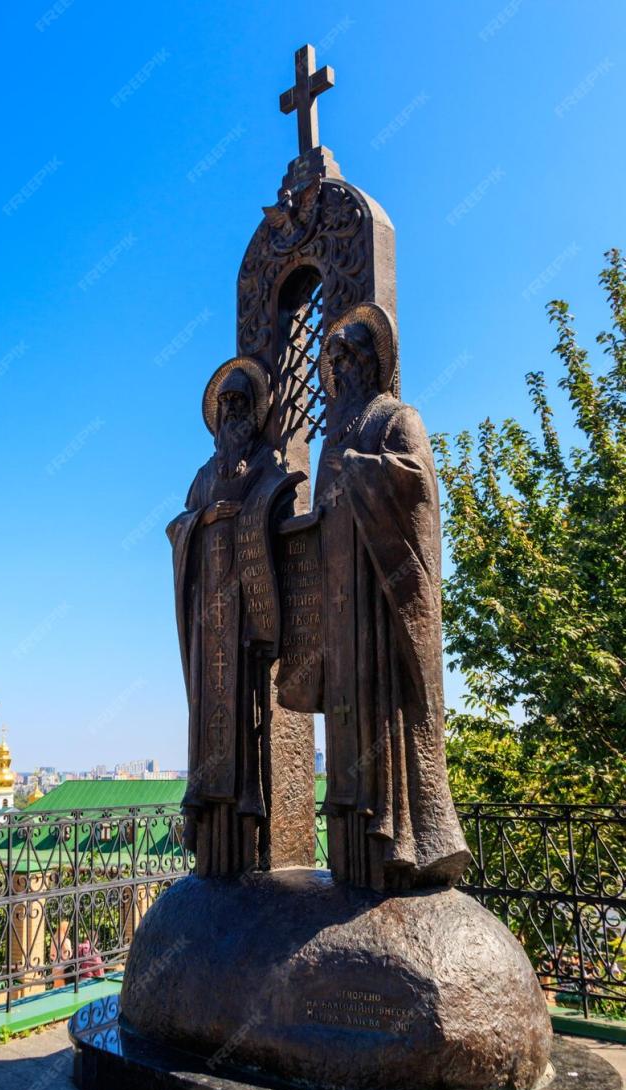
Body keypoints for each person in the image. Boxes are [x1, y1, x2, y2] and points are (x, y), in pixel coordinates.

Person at [314, 303, 470, 890]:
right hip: (342, 604)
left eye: (352, 354)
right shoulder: (337, 432)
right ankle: (351, 852)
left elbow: (415, 486)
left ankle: (403, 842)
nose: (343, 364)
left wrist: (356, 470)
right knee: (347, 719)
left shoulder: (398, 418)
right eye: (335, 357)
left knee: (387, 715)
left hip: (383, 601)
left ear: (374, 361)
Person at [167, 357, 302, 876]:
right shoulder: (204, 476)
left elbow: (282, 516)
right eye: (225, 404)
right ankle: (211, 826)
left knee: (247, 719)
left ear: (254, 410)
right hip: (209, 619)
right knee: (209, 715)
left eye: (242, 403)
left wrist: (249, 515)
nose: (232, 413)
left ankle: (248, 823)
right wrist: (204, 519)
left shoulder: (266, 463)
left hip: (245, 619)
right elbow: (176, 529)